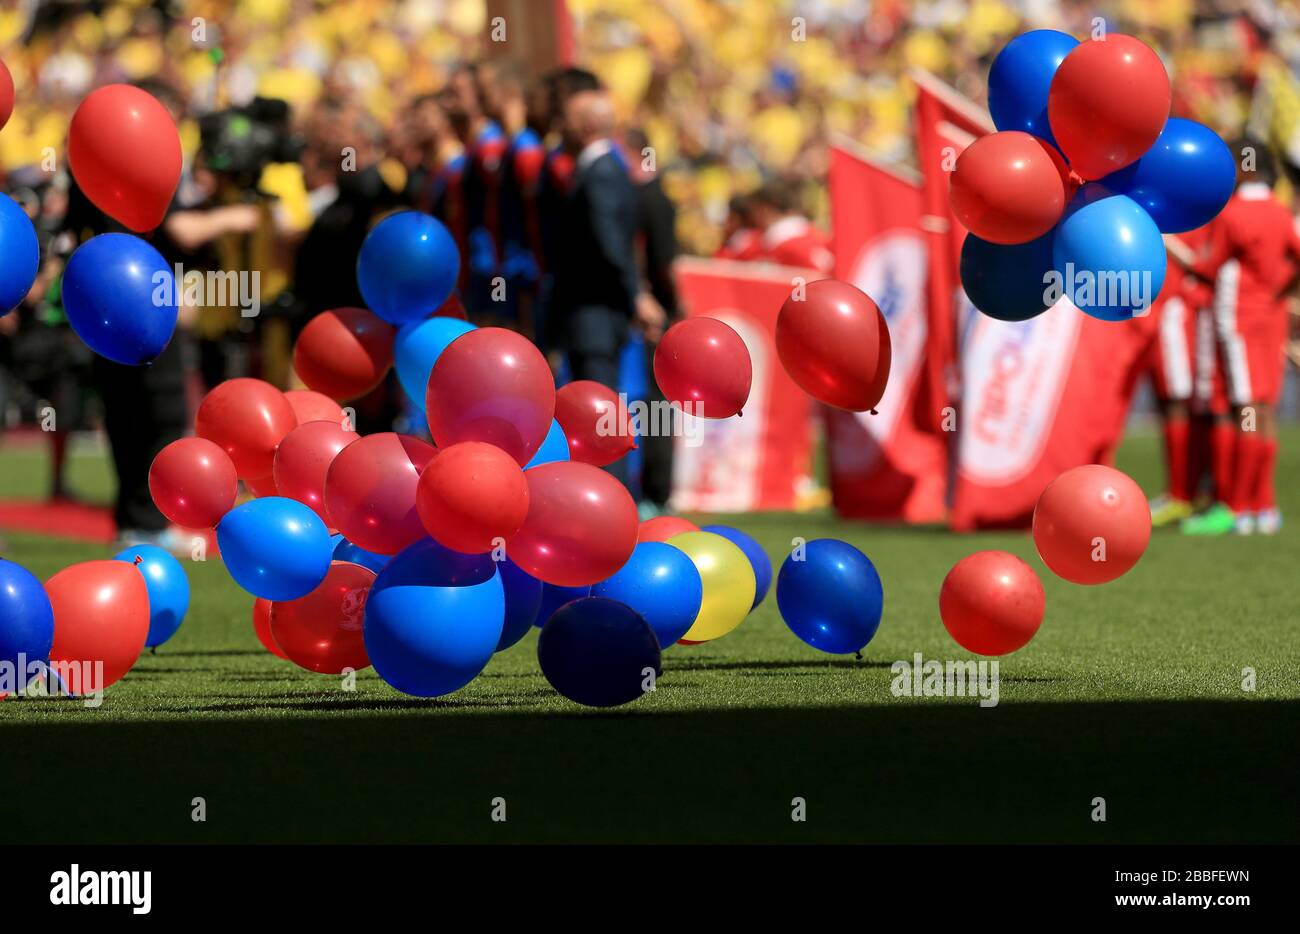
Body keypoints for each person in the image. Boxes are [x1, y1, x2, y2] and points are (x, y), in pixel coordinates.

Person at [1182, 142, 1298, 536]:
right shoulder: (1281, 212)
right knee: (1263, 410)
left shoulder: (1234, 214)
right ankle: (1264, 506)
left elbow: (1210, 266)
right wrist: (1282, 292)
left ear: (1247, 169)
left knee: (1244, 408)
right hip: (1272, 319)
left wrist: (1188, 264)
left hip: (1241, 321)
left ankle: (1241, 507)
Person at [549, 89, 639, 484]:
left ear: (585, 125)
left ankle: (611, 495)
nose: (560, 127)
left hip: (594, 318)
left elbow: (610, 244)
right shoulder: (603, 168)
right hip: (595, 317)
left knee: (599, 411)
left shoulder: (599, 171)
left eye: (568, 118)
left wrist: (635, 296)